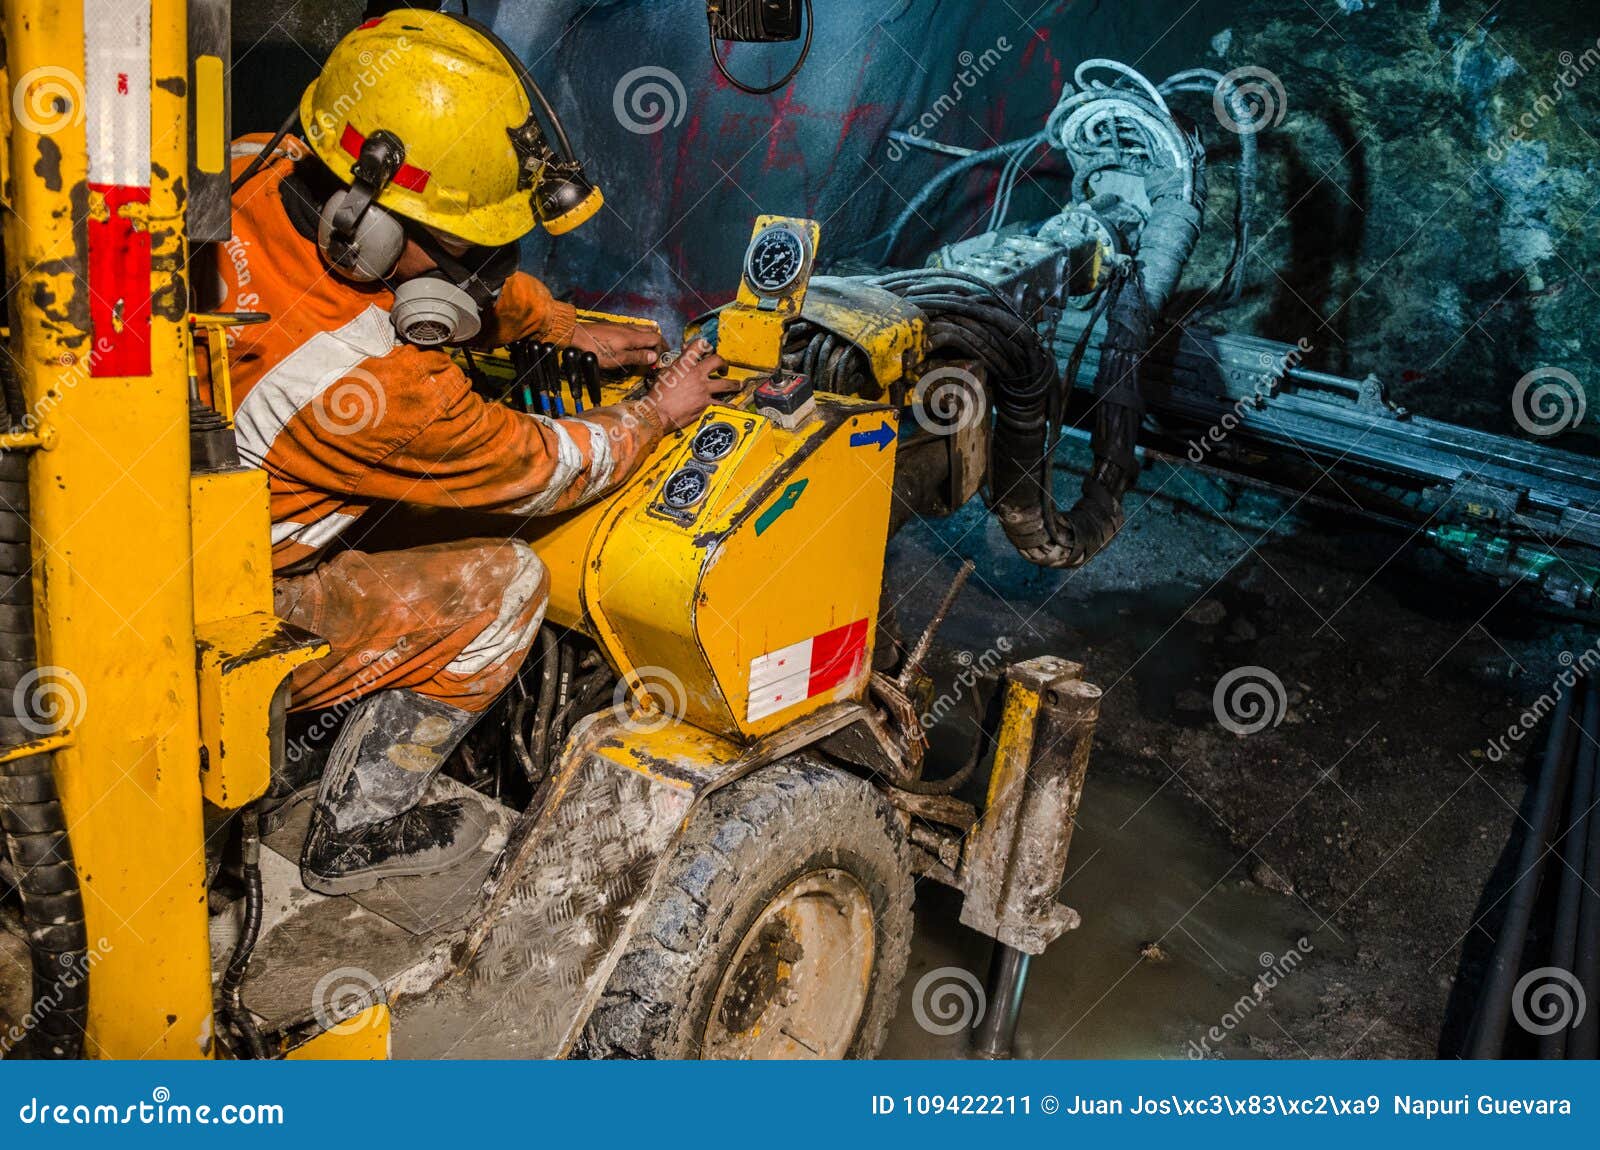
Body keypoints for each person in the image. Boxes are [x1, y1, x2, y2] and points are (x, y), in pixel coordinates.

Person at [214, 10, 732, 895]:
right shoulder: (377, 392)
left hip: (182, 523)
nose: (477, 272)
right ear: (363, 223)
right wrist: (656, 414)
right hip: (227, 609)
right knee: (509, 584)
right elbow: (544, 464)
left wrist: (565, 327)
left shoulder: (247, 168)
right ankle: (361, 826)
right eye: (465, 245)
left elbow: (451, 284)